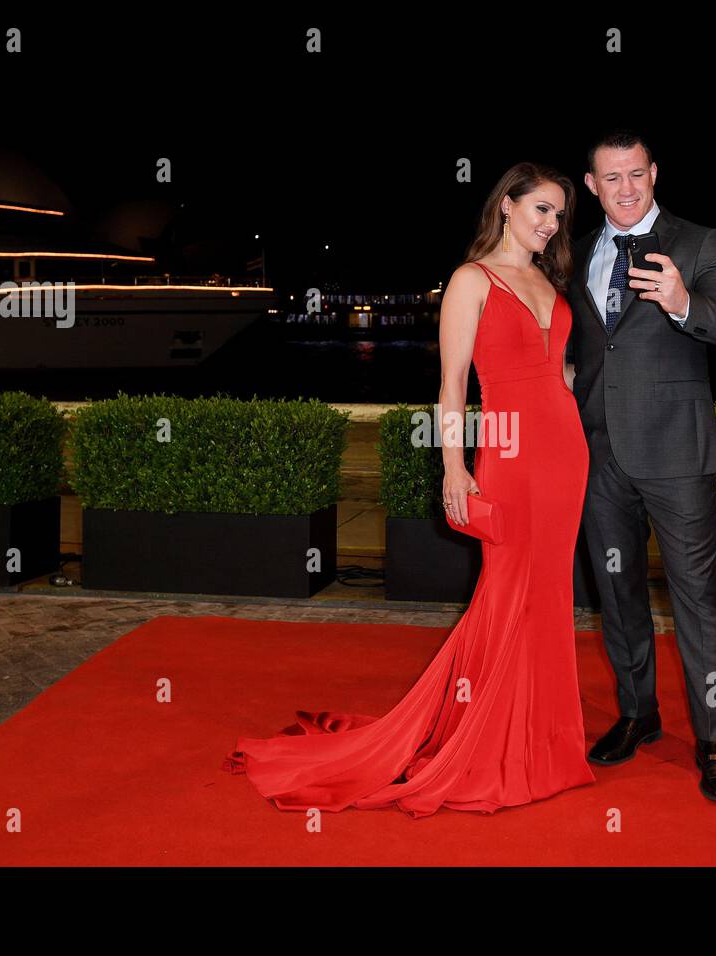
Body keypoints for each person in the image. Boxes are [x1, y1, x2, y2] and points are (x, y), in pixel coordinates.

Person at [222, 163, 596, 817]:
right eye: (541, 208)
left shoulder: (549, 280)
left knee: (549, 597)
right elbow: (452, 384)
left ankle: (543, 742)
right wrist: (453, 467)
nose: (551, 223)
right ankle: (487, 741)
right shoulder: (471, 280)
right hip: (508, 455)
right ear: (506, 206)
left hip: (567, 453)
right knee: (505, 594)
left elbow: (560, 373)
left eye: (559, 214)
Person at [565, 129, 716, 802]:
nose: (626, 188)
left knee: (698, 599)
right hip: (599, 456)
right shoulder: (576, 252)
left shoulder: (699, 243)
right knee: (617, 594)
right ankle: (638, 713)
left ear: (654, 174)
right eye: (611, 178)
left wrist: (682, 303)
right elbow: (584, 346)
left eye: (636, 174)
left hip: (676, 456)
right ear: (592, 186)